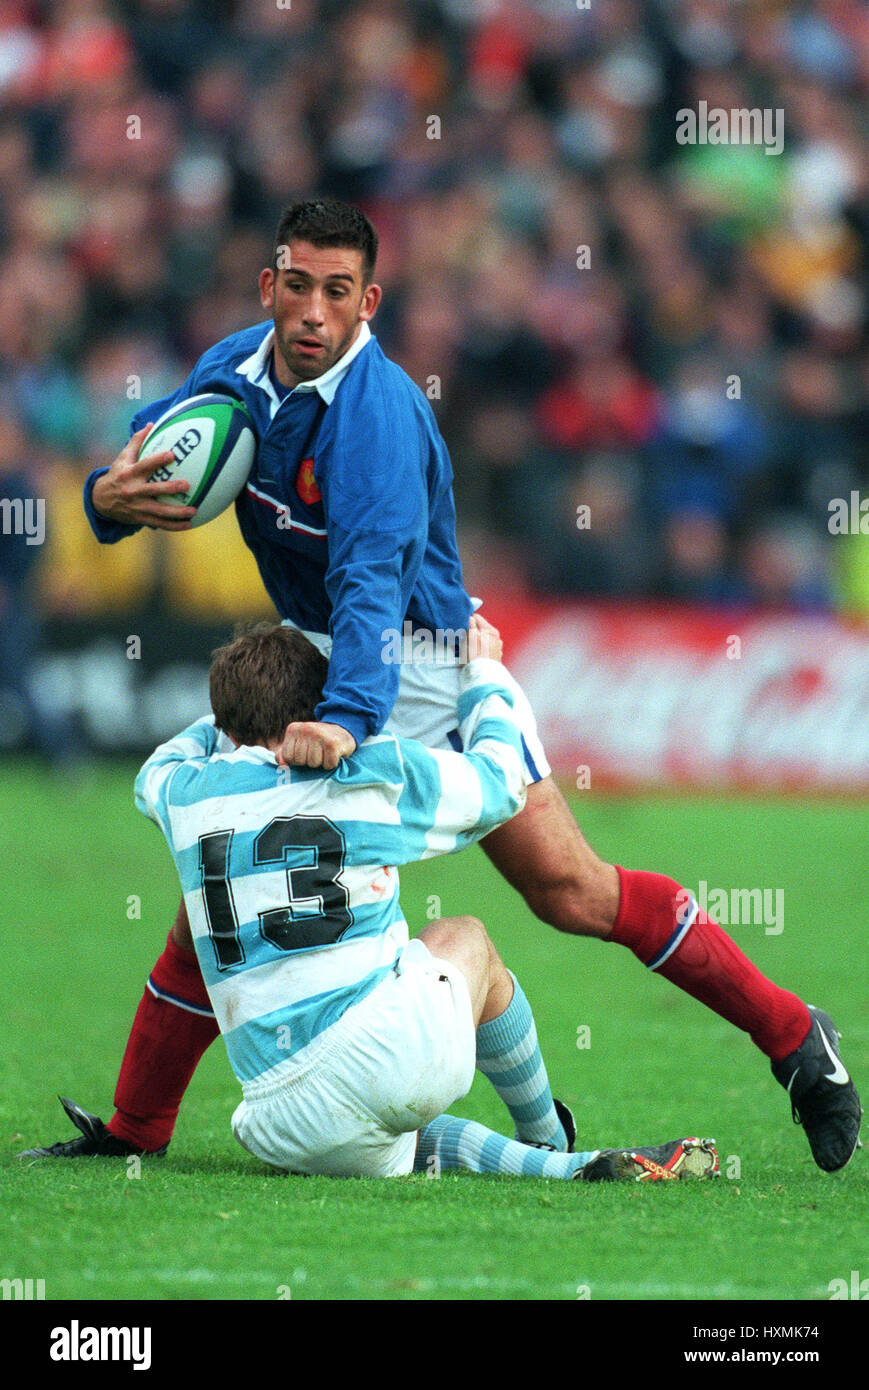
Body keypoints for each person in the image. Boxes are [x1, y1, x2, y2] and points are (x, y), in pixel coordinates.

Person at [30, 199, 859, 1173]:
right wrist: (104, 500)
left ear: (366, 302)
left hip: (418, 664)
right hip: (311, 653)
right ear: (269, 285)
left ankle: (793, 1038)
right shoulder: (233, 371)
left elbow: (370, 588)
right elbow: (152, 460)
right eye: (295, 284)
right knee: (219, 886)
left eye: (336, 292)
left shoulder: (378, 421)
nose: (311, 311)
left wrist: (344, 721)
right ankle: (135, 1130)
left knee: (569, 891)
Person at [24, 620, 719, 1184]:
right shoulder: (370, 775)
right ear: (318, 711)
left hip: (272, 1120)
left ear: (226, 725)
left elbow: (162, 762)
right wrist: (484, 675)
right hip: (385, 1056)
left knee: (394, 1136)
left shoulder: (179, 792)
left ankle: (565, 1170)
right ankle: (547, 1131)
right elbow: (502, 781)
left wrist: (227, 718)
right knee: (469, 936)